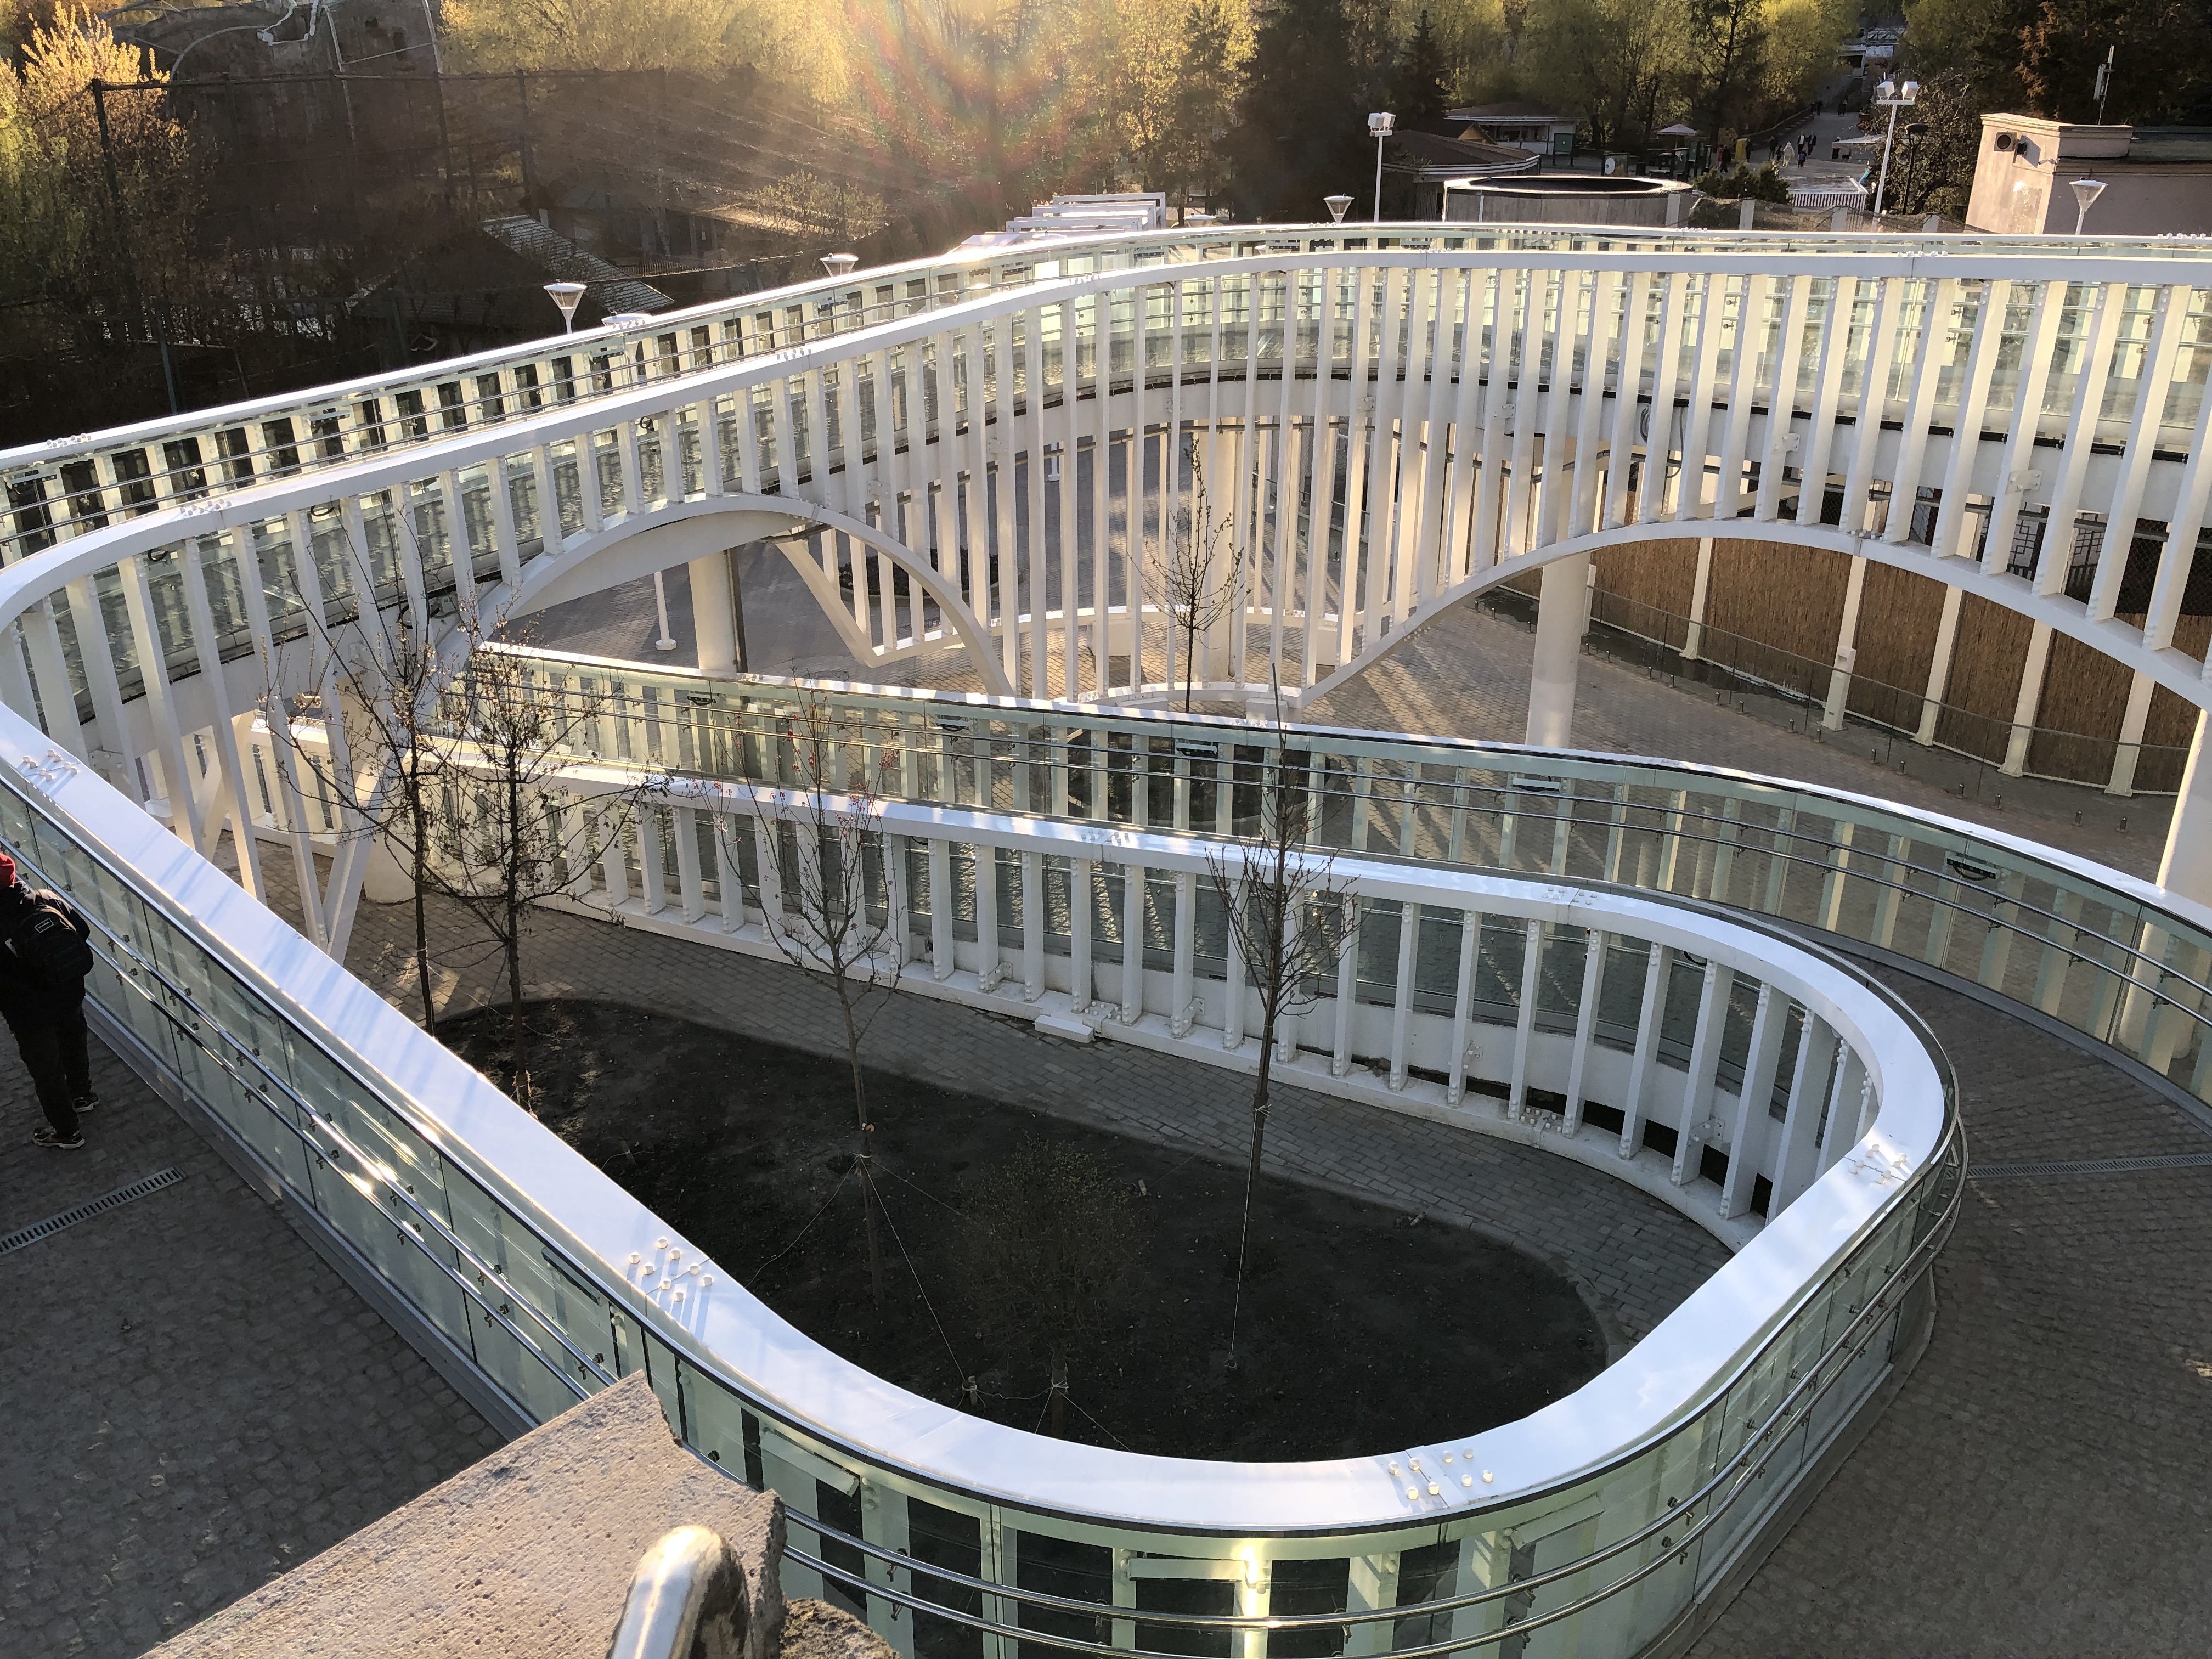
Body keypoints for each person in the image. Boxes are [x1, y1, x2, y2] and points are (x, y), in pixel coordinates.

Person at [0, 853, 98, 1149]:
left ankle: (68, 1132)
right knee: (73, 1041)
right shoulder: (45, 898)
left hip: (27, 1012)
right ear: (14, 876)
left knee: (46, 1070)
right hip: (68, 993)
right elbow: (82, 931)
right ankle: (83, 1095)